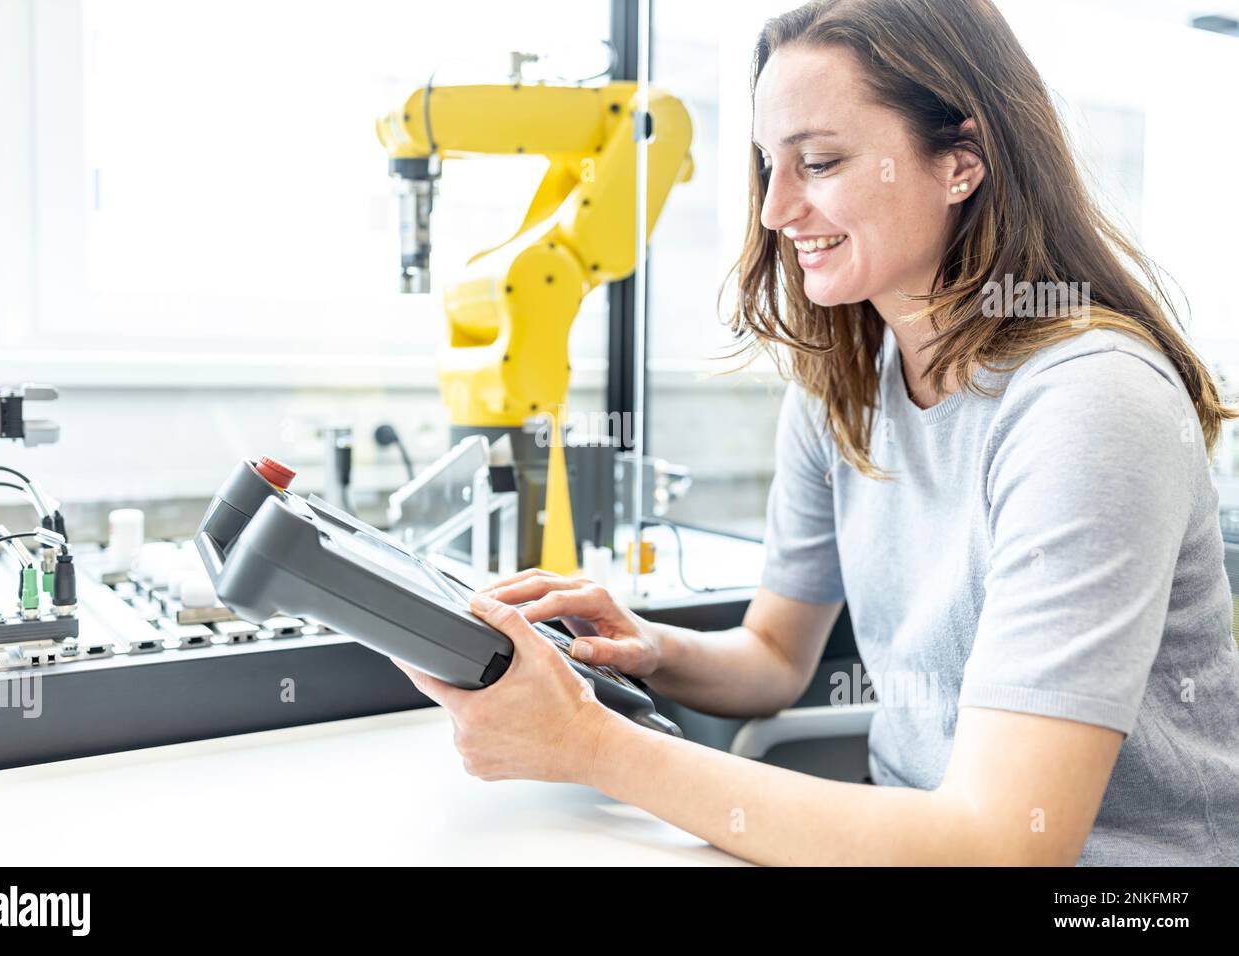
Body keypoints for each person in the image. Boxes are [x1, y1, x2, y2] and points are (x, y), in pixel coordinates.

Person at [393, 0, 1239, 865]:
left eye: (821, 162)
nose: (775, 210)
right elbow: (773, 656)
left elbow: (1000, 846)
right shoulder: (841, 386)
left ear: (962, 160)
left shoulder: (1088, 403)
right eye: (769, 166)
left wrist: (588, 745)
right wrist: (648, 648)